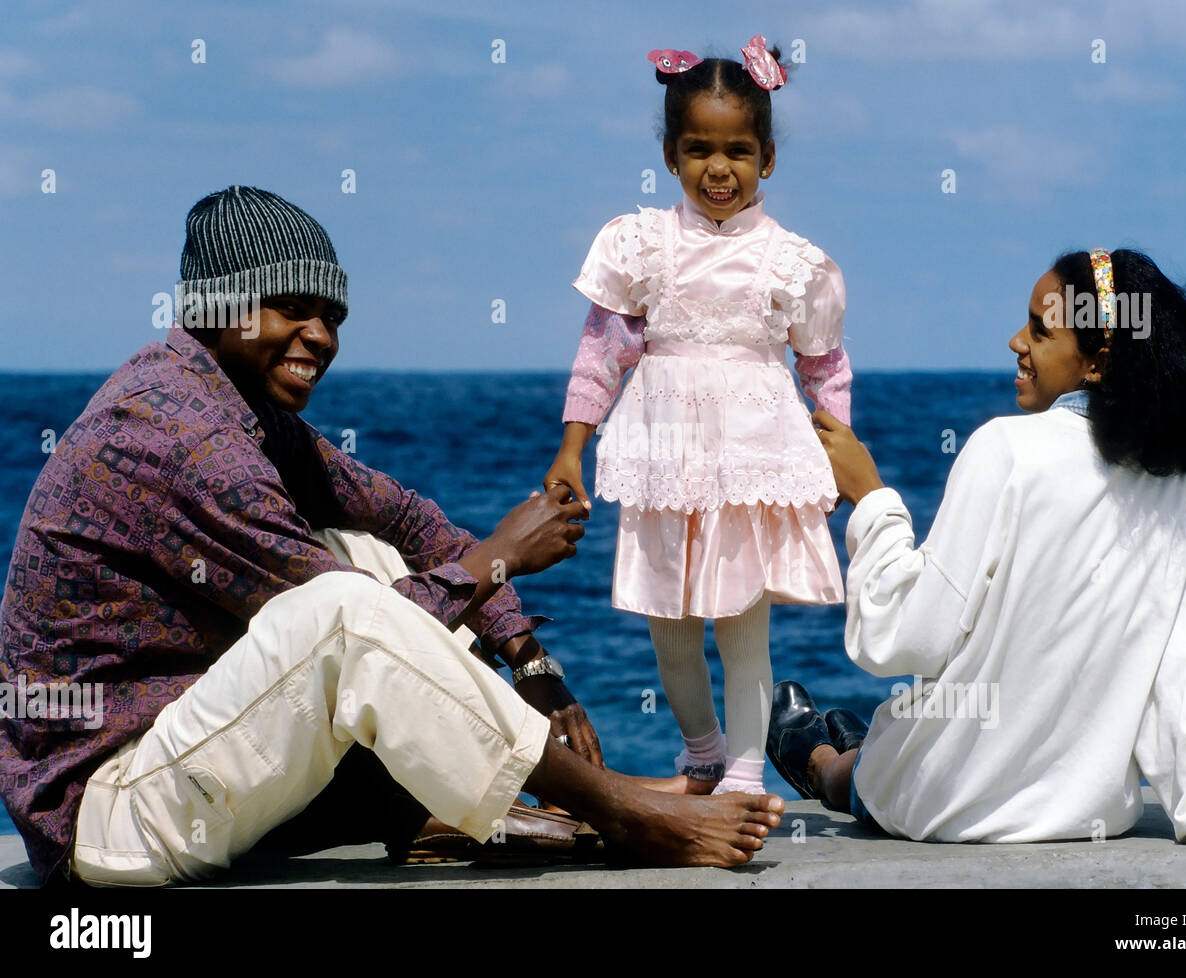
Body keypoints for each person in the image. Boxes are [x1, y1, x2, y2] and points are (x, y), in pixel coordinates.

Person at [0, 185, 784, 887]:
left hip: (178, 760)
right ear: (218, 307)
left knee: (368, 552)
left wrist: (530, 659)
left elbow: (404, 518)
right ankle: (617, 811)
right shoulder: (175, 434)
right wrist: (498, 558)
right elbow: (353, 631)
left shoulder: (236, 408)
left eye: (333, 316)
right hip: (107, 816)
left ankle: (473, 806)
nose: (320, 337)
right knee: (345, 605)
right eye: (291, 308)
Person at [767, 248, 1186, 888]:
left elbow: (902, 638)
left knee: (864, 770)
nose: (1016, 341)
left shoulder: (1005, 448)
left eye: (1041, 330)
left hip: (948, 804)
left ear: (1099, 360)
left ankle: (823, 758)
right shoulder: (1179, 492)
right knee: (902, 735)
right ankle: (866, 744)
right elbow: (1182, 675)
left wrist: (872, 496)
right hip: (1086, 809)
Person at [543, 36, 852, 796]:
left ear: (768, 158)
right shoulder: (642, 244)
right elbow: (601, 352)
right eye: (699, 149)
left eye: (739, 150)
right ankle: (705, 754)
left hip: (750, 460)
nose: (720, 168)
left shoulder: (794, 262)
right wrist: (570, 449)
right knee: (670, 625)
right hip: (663, 459)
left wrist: (839, 449)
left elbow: (823, 366)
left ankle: (748, 775)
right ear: (672, 156)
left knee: (745, 624)